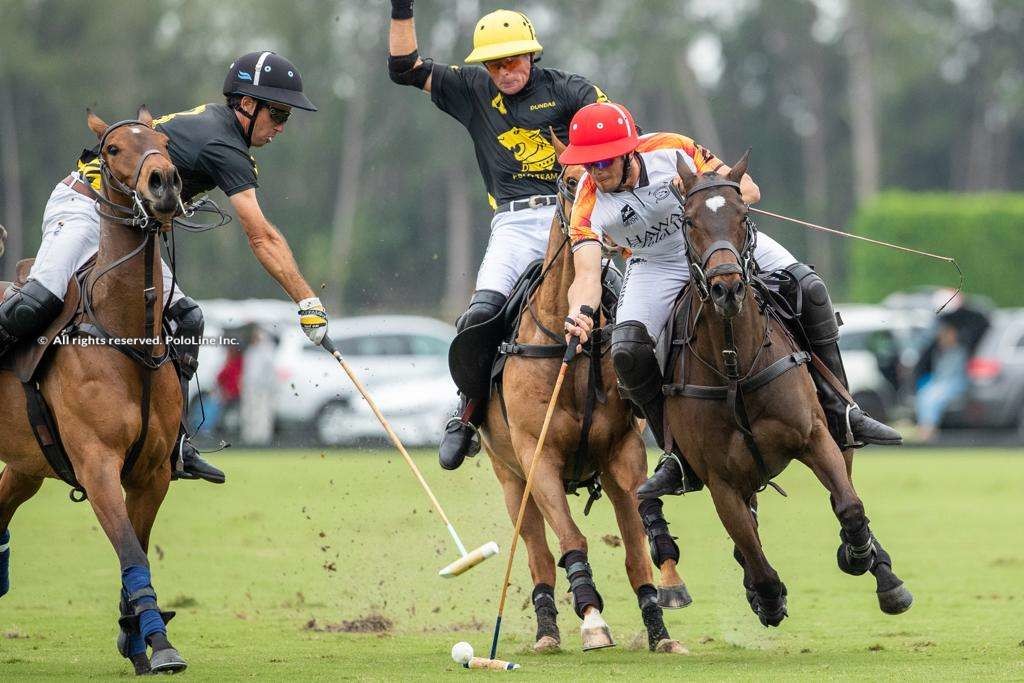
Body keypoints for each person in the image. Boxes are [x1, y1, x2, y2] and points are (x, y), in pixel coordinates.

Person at [0, 51, 330, 484]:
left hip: (129, 228)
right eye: (279, 112)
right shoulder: (222, 143)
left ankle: (176, 441)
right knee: (40, 299)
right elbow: (260, 235)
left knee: (188, 316)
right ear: (246, 105)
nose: (283, 125)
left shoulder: (222, 132)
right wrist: (306, 299)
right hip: (84, 204)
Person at [558, 102, 902, 497]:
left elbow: (749, 189)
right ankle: (676, 453)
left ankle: (843, 409)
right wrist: (579, 312)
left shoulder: (671, 149)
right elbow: (586, 273)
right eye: (588, 164)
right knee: (627, 349)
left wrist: (701, 188)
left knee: (810, 288)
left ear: (627, 151)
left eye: (604, 162)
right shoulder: (586, 203)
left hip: (718, 244)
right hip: (656, 265)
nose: (596, 172)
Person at [388, 2, 609, 470]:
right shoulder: (471, 89)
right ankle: (467, 413)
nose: (505, 71)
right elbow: (403, 67)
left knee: (632, 311)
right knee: (479, 316)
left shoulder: (570, 89)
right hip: (514, 223)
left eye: (513, 60)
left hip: (577, 212)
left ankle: (659, 421)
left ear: (532, 55)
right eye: (495, 63)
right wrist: (402, 8)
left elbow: (617, 133)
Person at [915, 322, 968, 441]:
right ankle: (924, 426)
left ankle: (929, 429)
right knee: (924, 394)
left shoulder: (960, 351)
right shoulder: (939, 352)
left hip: (954, 382)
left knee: (934, 397)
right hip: (939, 382)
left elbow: (952, 374)